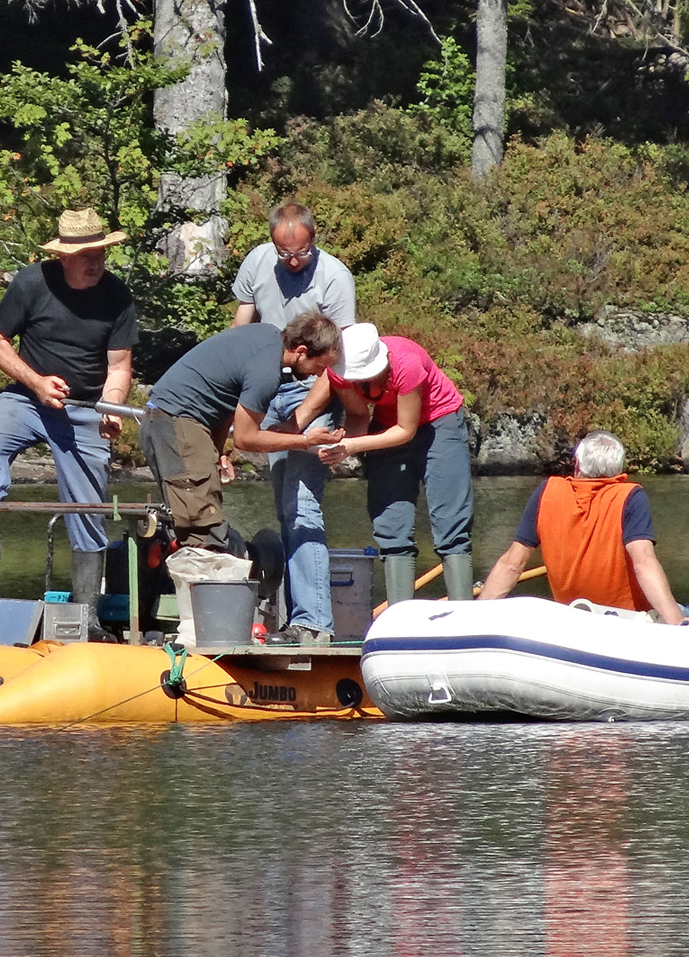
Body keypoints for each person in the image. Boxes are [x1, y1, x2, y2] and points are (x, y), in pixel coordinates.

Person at [0, 208, 138, 637]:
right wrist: (35, 381)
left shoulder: (117, 296)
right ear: (63, 256)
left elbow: (119, 367)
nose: (95, 261)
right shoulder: (32, 282)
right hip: (27, 398)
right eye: (86, 254)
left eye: (101, 251)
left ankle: (87, 610)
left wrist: (112, 407)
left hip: (86, 408)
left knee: (88, 503)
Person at [230, 199, 356, 643]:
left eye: (300, 252)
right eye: (284, 253)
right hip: (267, 386)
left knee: (302, 504)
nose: (292, 261)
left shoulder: (335, 278)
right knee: (284, 508)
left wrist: (300, 421)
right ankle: (293, 617)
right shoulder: (258, 262)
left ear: (313, 239)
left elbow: (339, 364)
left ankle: (314, 623)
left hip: (314, 390)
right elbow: (241, 327)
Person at [297, 323, 473, 606]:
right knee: (391, 524)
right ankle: (399, 618)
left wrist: (352, 446)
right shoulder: (339, 374)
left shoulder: (407, 364)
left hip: (439, 423)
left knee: (450, 523)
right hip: (387, 425)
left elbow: (406, 430)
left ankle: (463, 615)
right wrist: (340, 448)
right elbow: (357, 416)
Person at [140, 313, 345, 552]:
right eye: (319, 366)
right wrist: (307, 440)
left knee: (191, 519)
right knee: (203, 532)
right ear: (300, 351)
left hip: (164, 421)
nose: (318, 375)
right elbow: (245, 439)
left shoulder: (265, 334)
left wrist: (216, 457)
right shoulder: (267, 372)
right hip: (177, 425)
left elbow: (224, 404)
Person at [479, 431, 689, 626]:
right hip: (629, 618)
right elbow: (643, 563)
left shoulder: (547, 492)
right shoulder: (629, 496)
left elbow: (512, 564)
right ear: (617, 469)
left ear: (577, 463)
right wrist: (677, 622)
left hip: (573, 614)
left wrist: (475, 615)